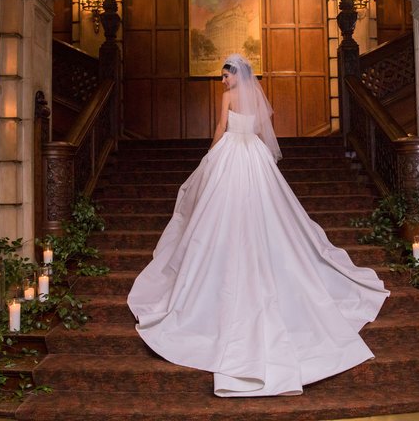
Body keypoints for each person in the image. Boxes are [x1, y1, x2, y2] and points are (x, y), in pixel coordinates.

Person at [127, 53, 389, 397]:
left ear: (236, 75)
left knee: (223, 214)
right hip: (253, 154)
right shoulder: (255, 92)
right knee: (266, 211)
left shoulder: (226, 98)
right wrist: (257, 146)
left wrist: (209, 157)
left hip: (232, 154)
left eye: (225, 76)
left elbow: (221, 129)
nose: (222, 82)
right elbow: (267, 123)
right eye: (222, 78)